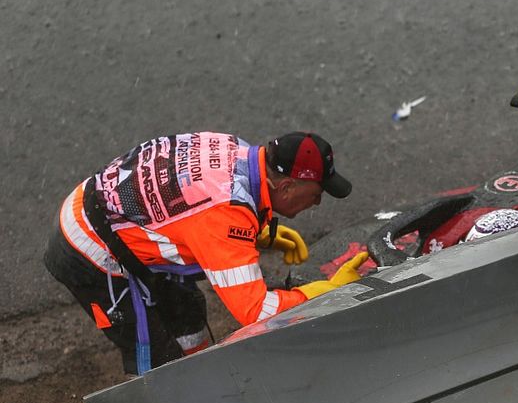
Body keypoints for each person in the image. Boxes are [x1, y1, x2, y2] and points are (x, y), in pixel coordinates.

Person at [44, 131, 367, 375]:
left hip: (108, 213)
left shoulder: (236, 149)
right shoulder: (226, 212)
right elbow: (257, 312)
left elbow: (190, 208)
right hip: (88, 250)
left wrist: (261, 233)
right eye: (315, 194)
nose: (318, 203)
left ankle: (202, 374)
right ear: (285, 188)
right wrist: (324, 292)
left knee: (187, 311)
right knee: (158, 357)